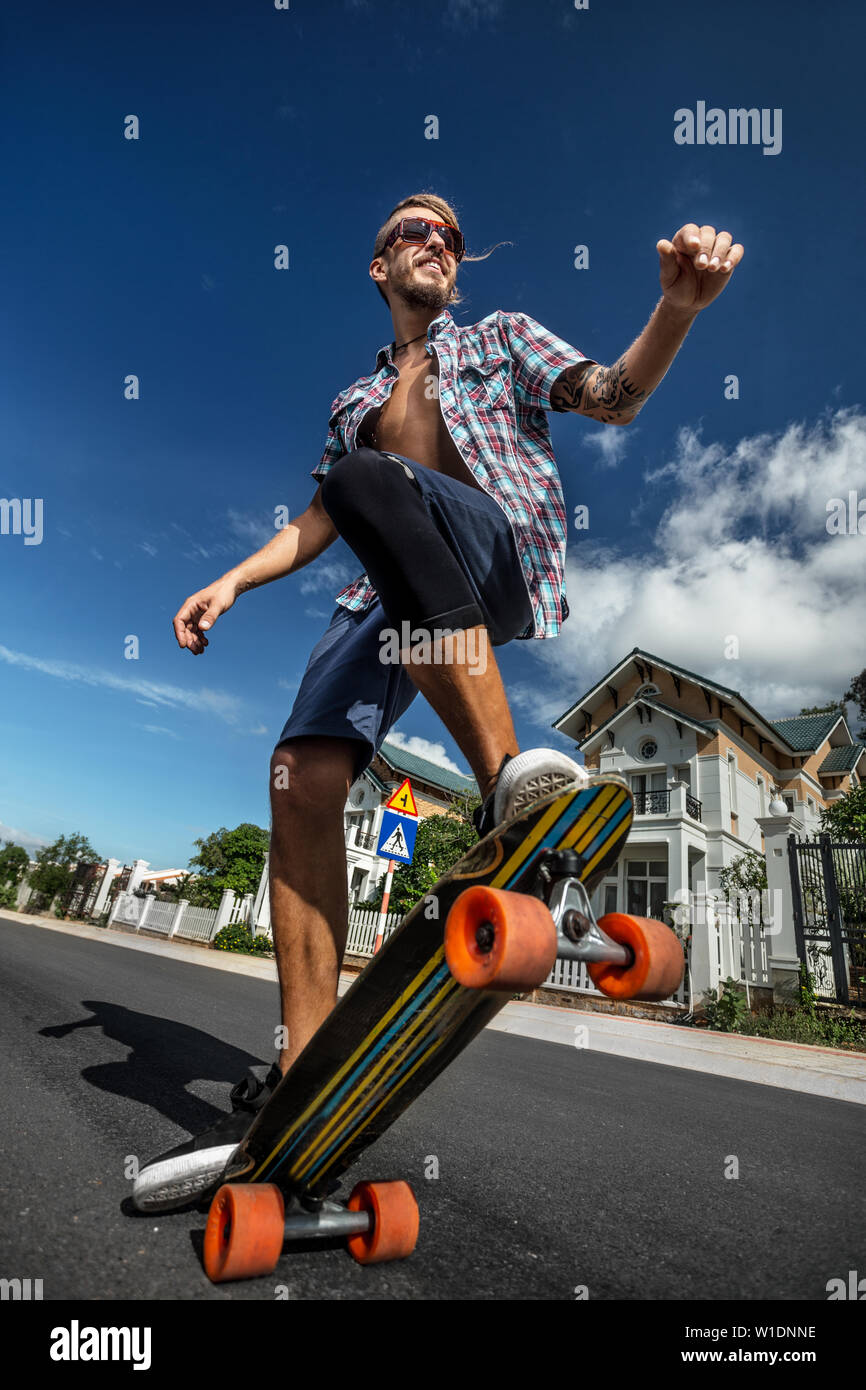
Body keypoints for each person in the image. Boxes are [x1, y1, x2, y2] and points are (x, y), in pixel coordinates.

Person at [132, 192, 743, 1211]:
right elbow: (322, 517)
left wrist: (676, 310)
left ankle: (508, 781)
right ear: (379, 265)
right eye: (417, 231)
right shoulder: (349, 403)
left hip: (483, 550)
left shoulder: (497, 339)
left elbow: (608, 392)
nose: (438, 245)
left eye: (451, 238)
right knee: (301, 778)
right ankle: (303, 1067)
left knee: (379, 484)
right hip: (380, 594)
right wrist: (233, 580)